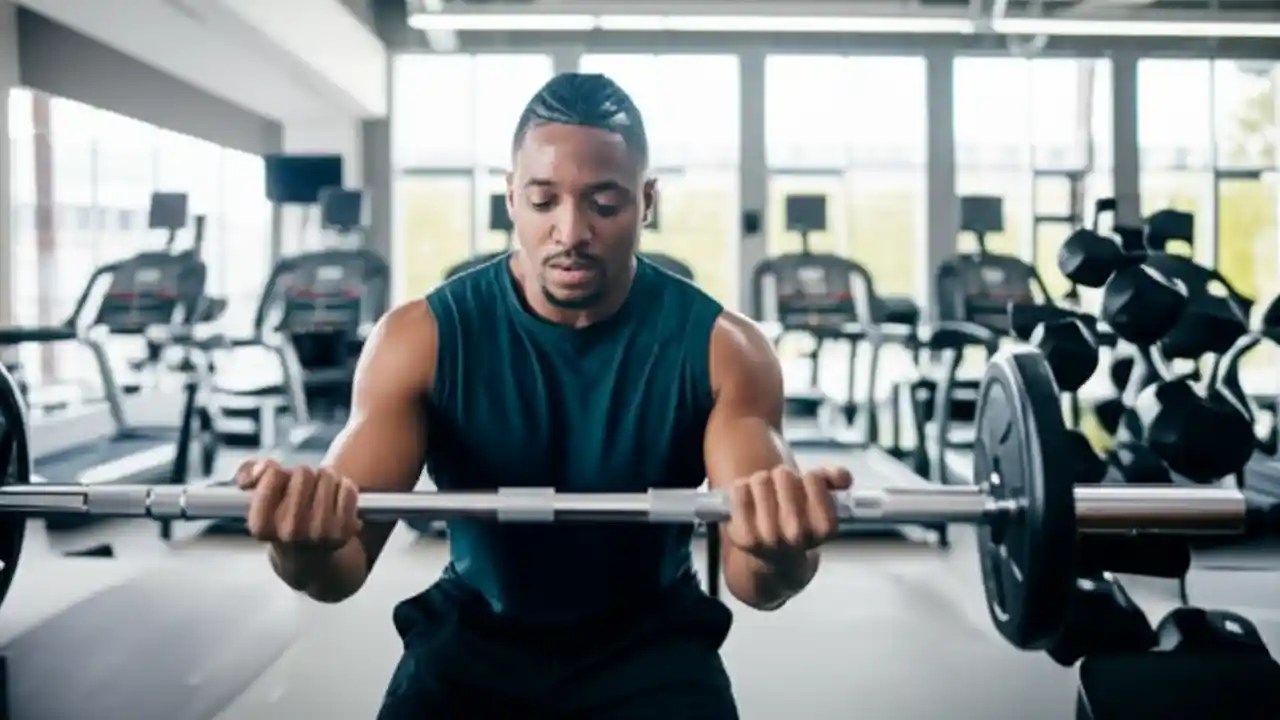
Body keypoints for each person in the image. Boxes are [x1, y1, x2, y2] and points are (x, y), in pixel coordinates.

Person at [235, 72, 853, 719]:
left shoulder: (727, 350)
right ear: (510, 197)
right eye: (543, 201)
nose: (571, 231)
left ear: (646, 201)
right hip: (475, 634)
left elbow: (756, 585)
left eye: (603, 204)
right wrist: (298, 544)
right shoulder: (418, 339)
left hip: (652, 643)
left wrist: (783, 547)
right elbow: (340, 571)